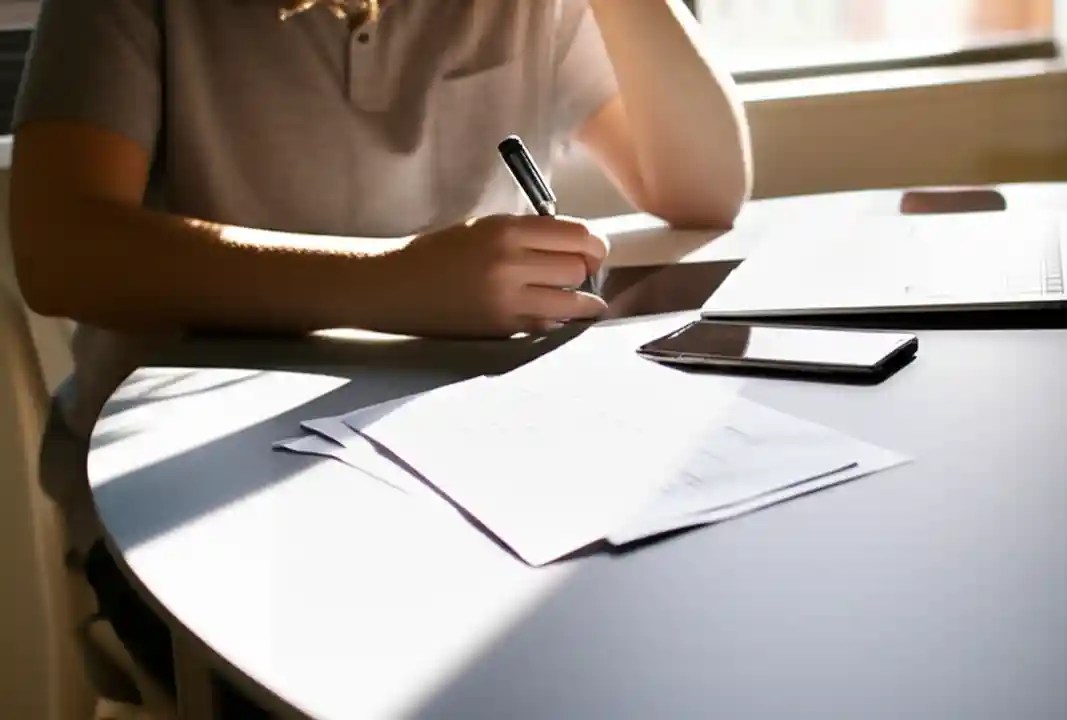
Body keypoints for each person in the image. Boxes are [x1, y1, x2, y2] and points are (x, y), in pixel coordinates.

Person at [8, 0, 751, 711]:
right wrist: (388, 280)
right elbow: (61, 248)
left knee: (645, 649)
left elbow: (704, 188)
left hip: (456, 482)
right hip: (176, 506)